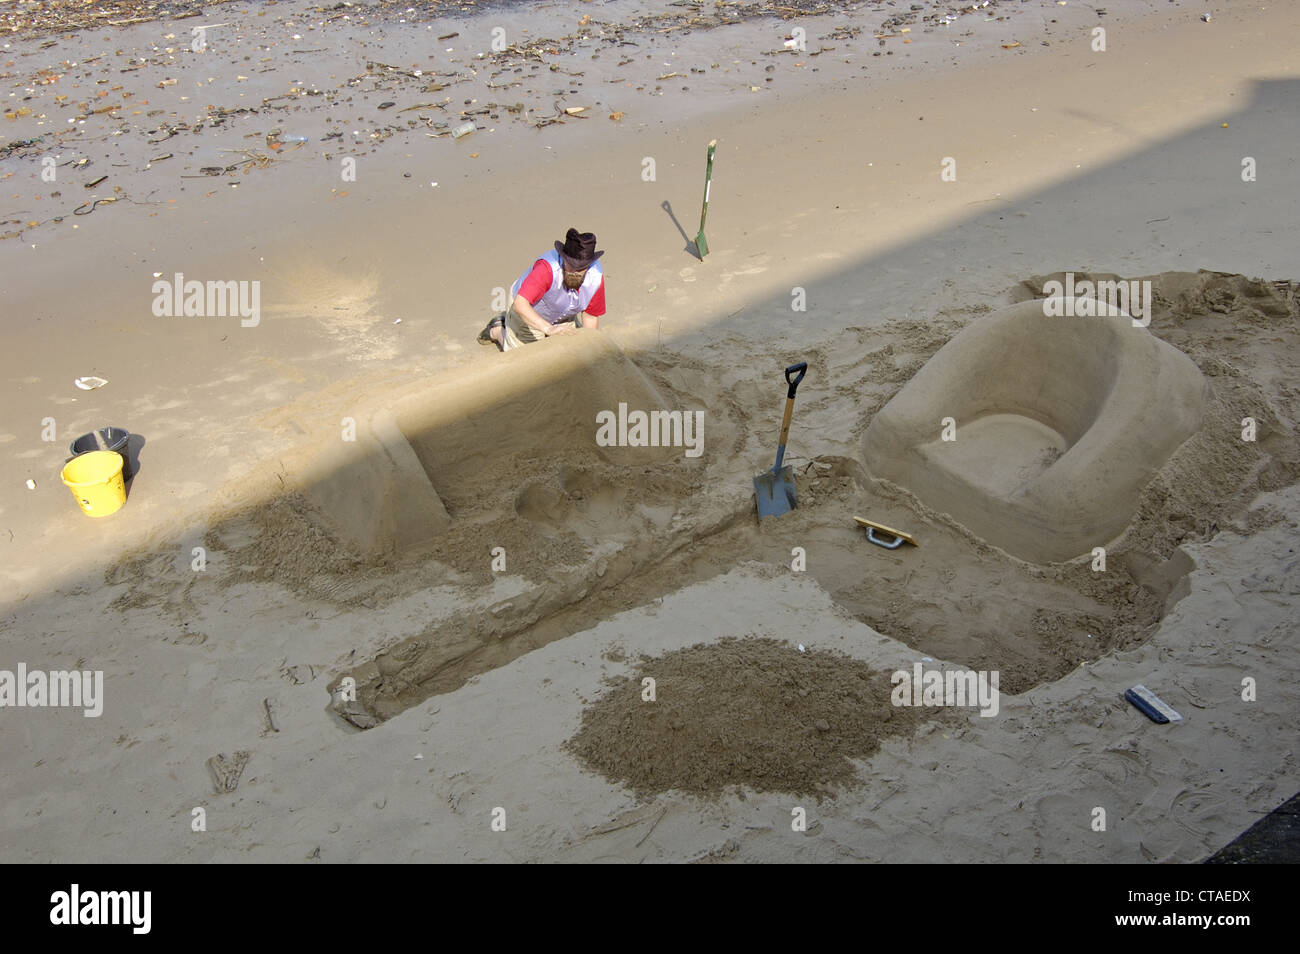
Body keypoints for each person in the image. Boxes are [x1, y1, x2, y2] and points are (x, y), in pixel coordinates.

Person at [479, 228, 606, 352]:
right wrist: (548, 329)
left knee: (573, 354)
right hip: (528, 311)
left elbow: (590, 316)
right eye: (571, 265)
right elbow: (520, 304)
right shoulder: (546, 269)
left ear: (589, 265)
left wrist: (590, 347)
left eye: (580, 268)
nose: (574, 272)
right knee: (528, 362)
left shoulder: (595, 278)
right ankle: (498, 329)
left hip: (564, 313)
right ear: (563, 257)